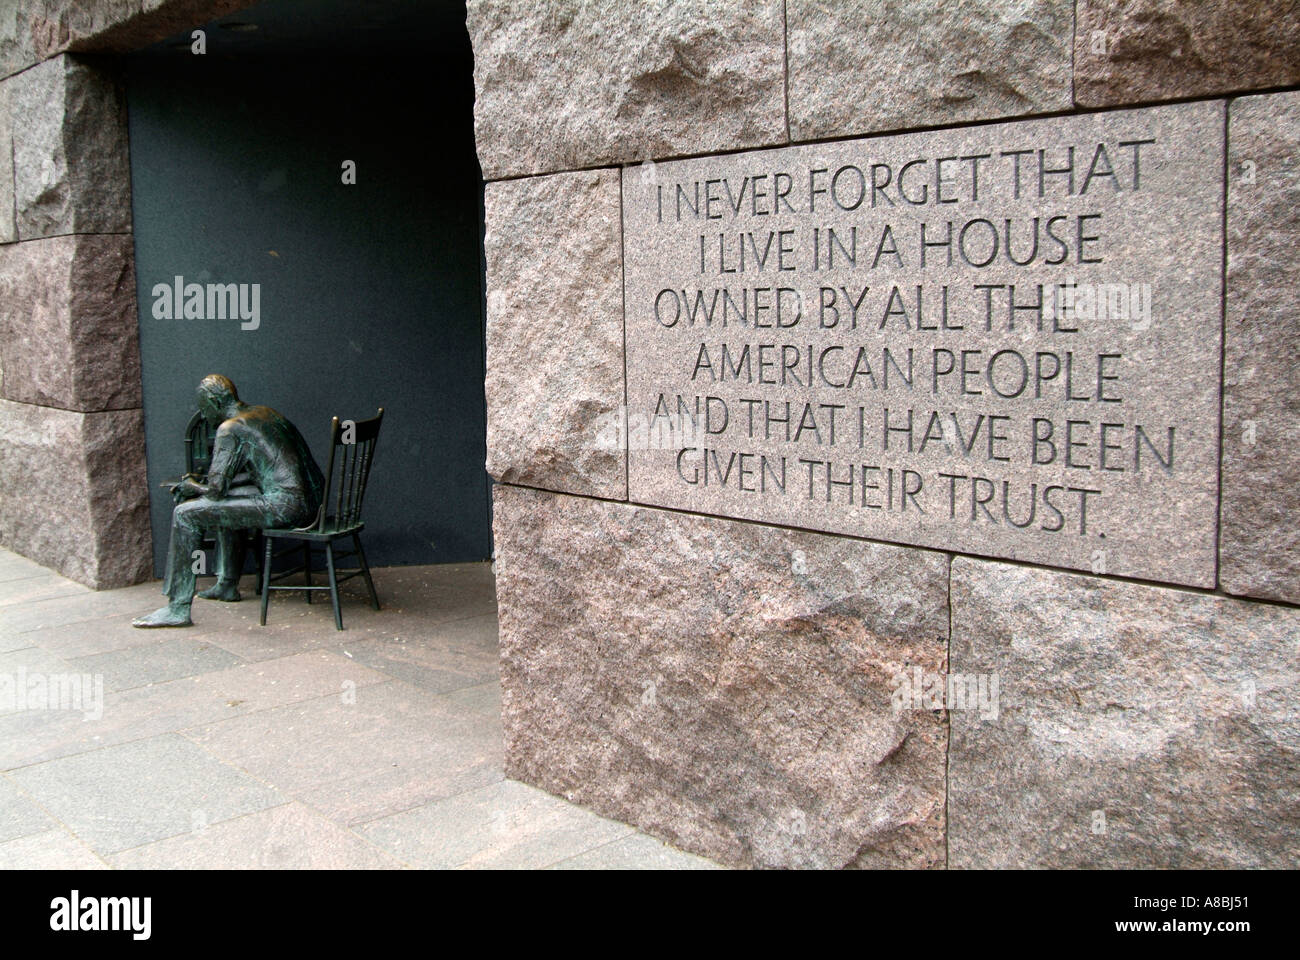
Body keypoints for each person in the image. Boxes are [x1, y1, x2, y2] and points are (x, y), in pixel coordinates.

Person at [133, 374, 325, 628]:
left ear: (214, 402)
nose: (204, 415)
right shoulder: (264, 413)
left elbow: (214, 492)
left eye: (204, 408)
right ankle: (226, 584)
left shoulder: (230, 428)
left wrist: (191, 485)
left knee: (185, 514)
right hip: (312, 502)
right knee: (227, 502)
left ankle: (177, 607)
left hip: (286, 507)